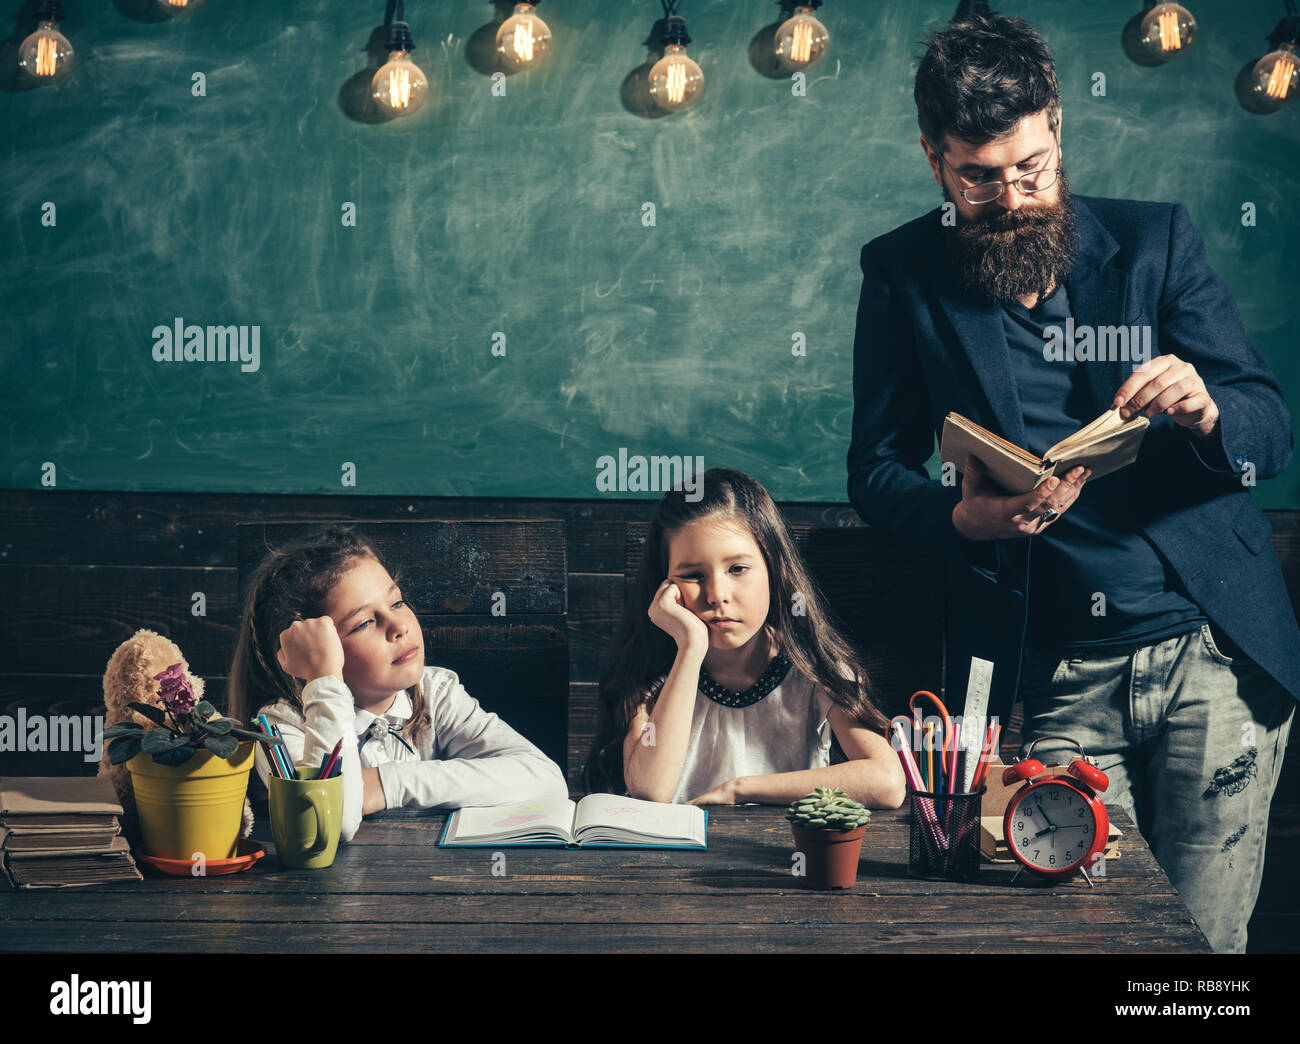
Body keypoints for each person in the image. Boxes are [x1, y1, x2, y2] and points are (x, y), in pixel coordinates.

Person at [847, 12, 1298, 952]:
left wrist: (1210, 406)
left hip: (1210, 653)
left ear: (1057, 126)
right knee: (1083, 938)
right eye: (978, 177)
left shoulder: (1154, 243)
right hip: (1047, 677)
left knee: (1205, 950)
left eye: (1031, 168)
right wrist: (963, 519)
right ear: (935, 160)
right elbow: (875, 470)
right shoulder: (900, 272)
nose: (1010, 195)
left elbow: (1272, 424)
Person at [585, 467, 905, 808]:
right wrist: (690, 648)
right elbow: (651, 790)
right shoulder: (650, 676)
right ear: (665, 587)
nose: (717, 595)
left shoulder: (814, 671)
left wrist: (739, 789)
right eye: (693, 575)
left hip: (777, 857)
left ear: (773, 568)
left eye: (737, 569)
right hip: (671, 860)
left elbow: (886, 782)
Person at [228, 525, 569, 843]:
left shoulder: (436, 693)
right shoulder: (279, 727)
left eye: (396, 602)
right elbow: (328, 825)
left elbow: (545, 780)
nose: (398, 626)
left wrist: (384, 783)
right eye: (363, 623)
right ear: (309, 650)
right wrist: (324, 680)